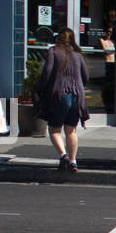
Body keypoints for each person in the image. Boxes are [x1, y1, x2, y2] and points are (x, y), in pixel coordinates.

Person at [38, 28, 89, 173]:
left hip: (60, 95)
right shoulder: (77, 55)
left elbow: (47, 72)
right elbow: (86, 77)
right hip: (77, 97)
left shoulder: (53, 51)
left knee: (54, 129)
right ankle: (73, 162)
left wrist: (40, 89)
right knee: (71, 131)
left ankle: (63, 156)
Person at [100, 26, 116, 111]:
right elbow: (106, 50)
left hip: (113, 63)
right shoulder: (103, 40)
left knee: (112, 83)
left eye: (111, 32)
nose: (109, 33)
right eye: (108, 31)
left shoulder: (112, 41)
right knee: (107, 82)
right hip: (108, 62)